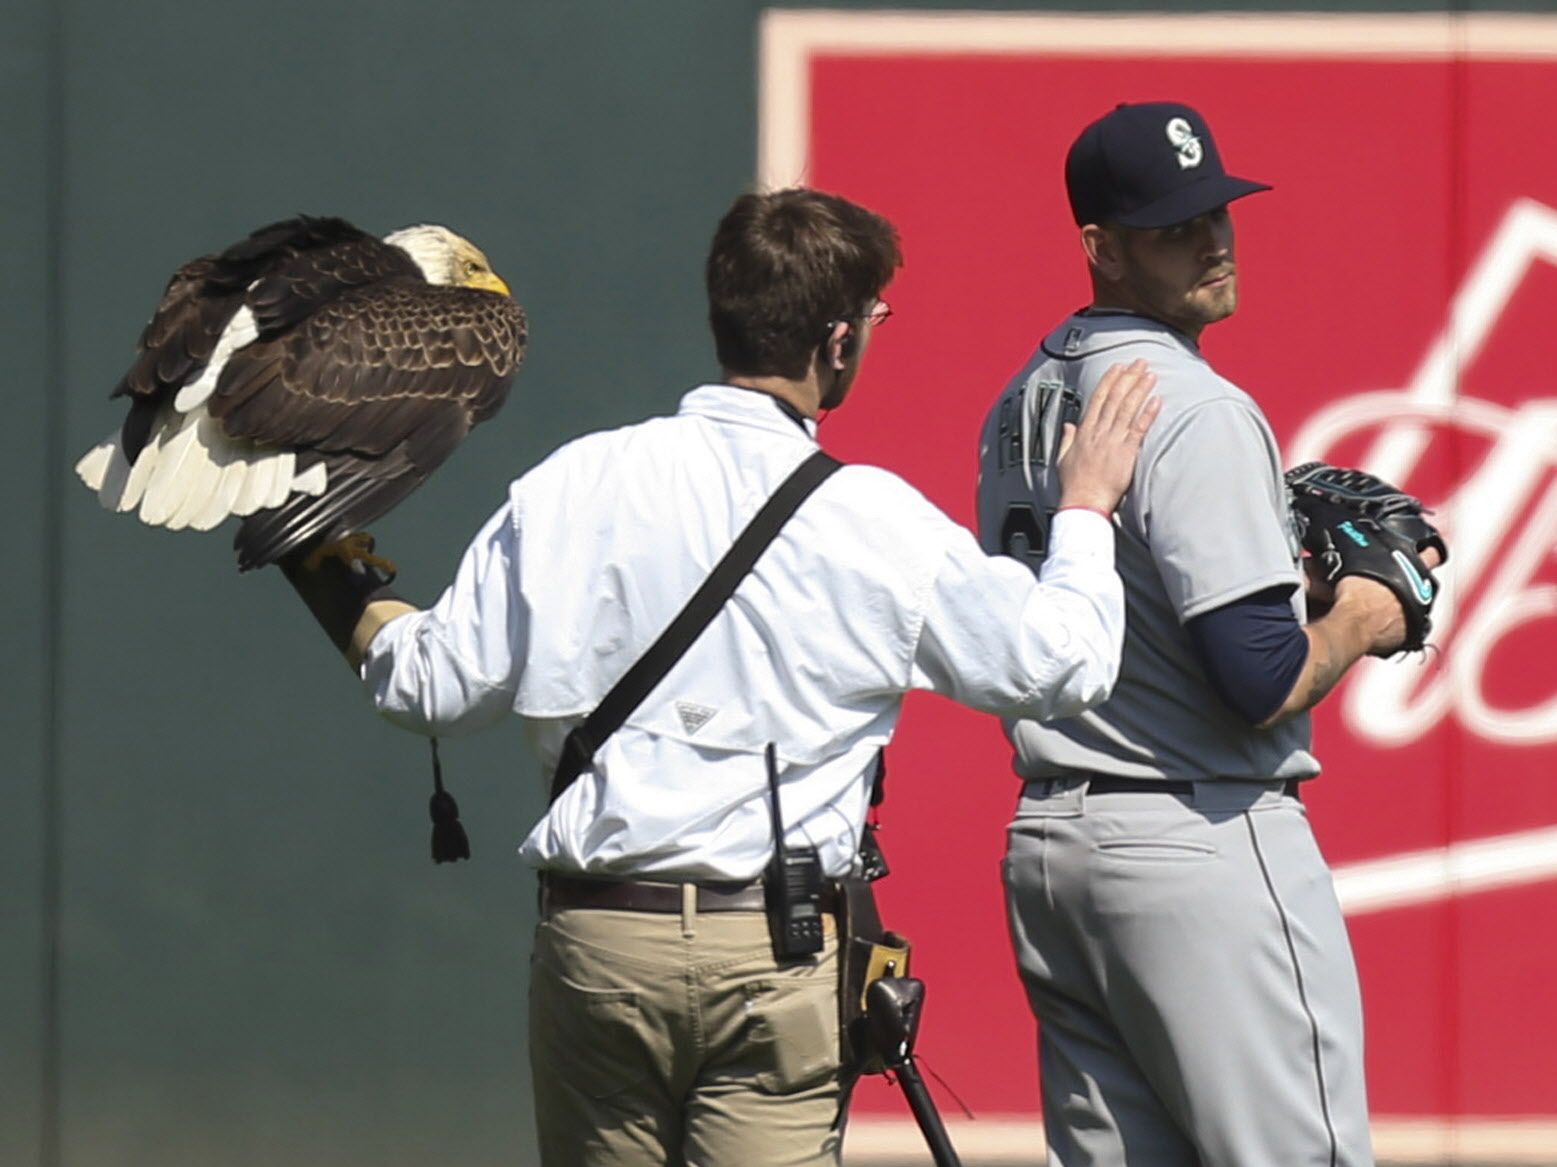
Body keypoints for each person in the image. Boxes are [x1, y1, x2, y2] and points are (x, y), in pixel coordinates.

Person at [285, 186, 1160, 1166]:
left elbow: (428, 686)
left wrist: (312, 556)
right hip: (773, 954)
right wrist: (1085, 509)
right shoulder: (873, 518)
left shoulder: (575, 481)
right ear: (836, 342)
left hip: (599, 943)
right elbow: (1063, 662)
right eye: (873, 318)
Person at [976, 102, 1443, 1167]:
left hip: (1054, 853)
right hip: (1196, 839)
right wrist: (1364, 614)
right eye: (1172, 227)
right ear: (1101, 246)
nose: (1211, 241)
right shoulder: (1193, 405)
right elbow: (1258, 677)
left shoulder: (1022, 396)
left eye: (1215, 212)